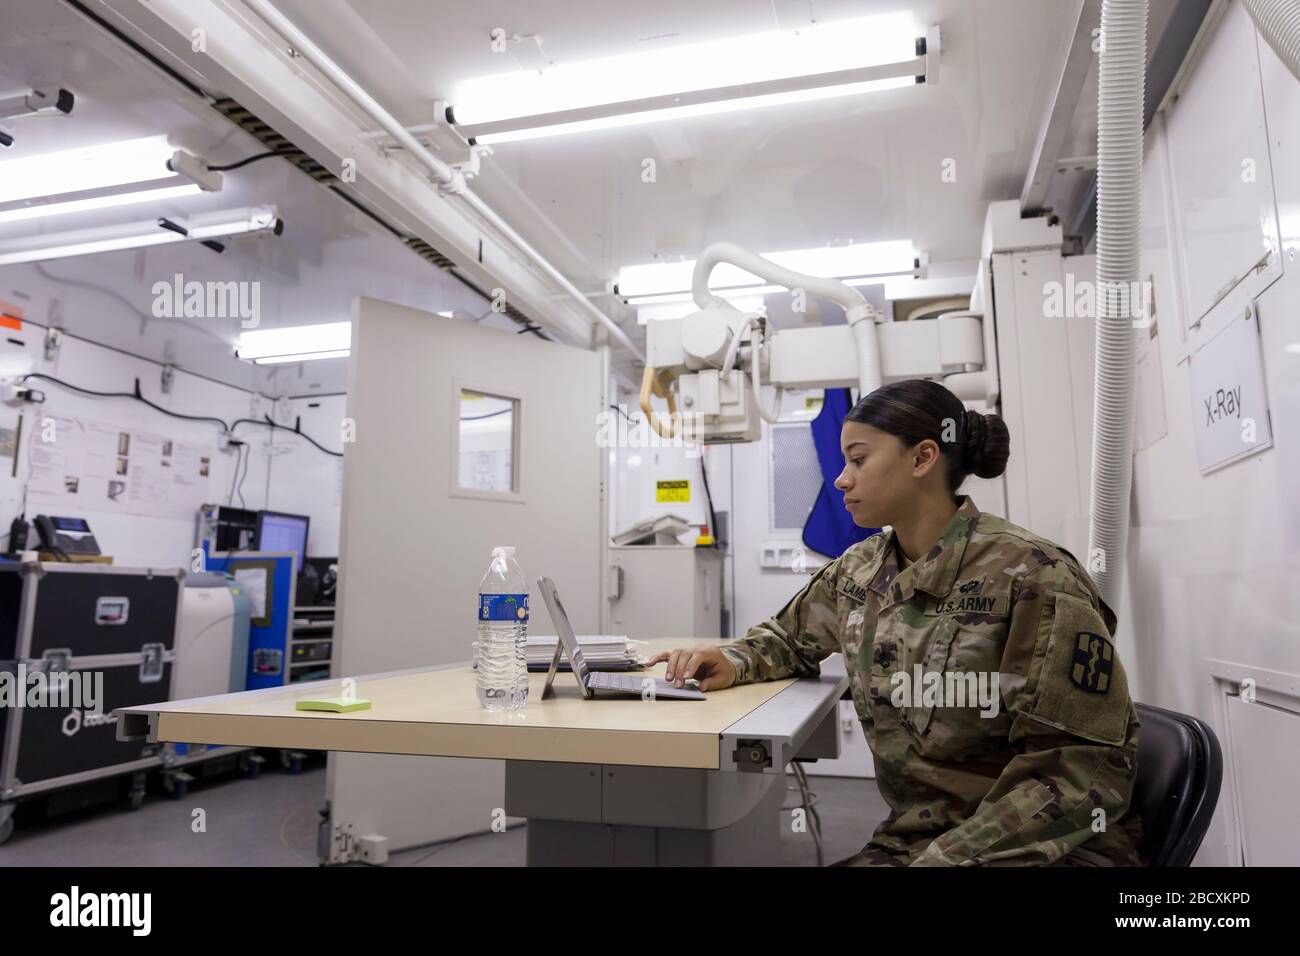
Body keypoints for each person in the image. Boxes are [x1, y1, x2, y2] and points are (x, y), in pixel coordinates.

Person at [648, 379, 1144, 866]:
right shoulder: (860, 570)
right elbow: (788, 640)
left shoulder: (1033, 576)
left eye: (858, 460)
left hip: (1037, 849)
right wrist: (731, 659)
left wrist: (946, 859)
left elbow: (1080, 775)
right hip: (914, 842)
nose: (842, 479)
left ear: (923, 458)